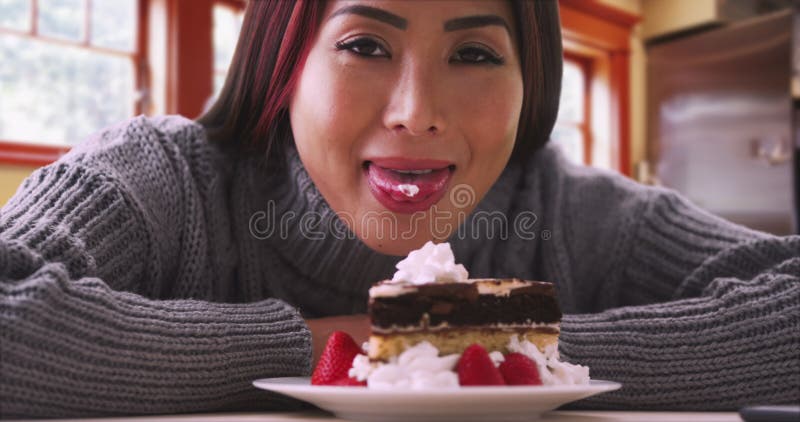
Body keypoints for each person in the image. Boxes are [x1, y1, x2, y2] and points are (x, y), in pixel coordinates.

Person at [1, 0, 797, 418]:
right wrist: (338, 343)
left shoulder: (568, 208)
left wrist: (503, 358)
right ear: (285, 63)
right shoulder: (162, 181)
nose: (417, 112)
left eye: (475, 54)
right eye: (365, 45)